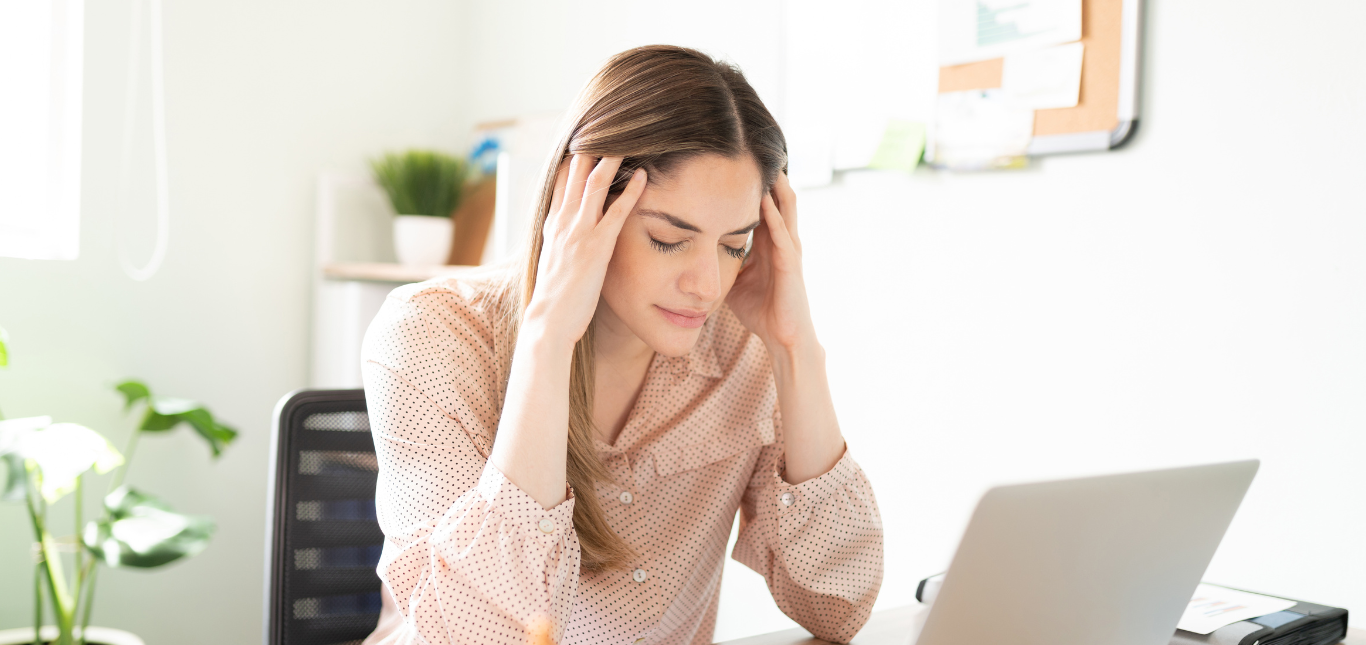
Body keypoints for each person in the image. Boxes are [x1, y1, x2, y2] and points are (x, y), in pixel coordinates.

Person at [360, 45, 883, 645]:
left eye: (733, 245)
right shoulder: (432, 334)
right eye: (668, 239)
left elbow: (838, 607)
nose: (707, 286)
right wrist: (549, 341)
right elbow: (477, 639)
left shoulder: (747, 346)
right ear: (578, 199)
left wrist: (795, 348)